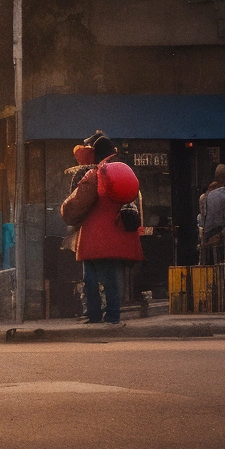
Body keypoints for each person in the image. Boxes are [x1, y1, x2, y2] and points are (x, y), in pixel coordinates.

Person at [65, 134, 144, 325]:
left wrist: (66, 211)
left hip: (92, 234)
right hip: (115, 232)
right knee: (109, 278)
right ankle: (112, 315)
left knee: (91, 278)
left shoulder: (94, 175)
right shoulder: (121, 174)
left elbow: (77, 202)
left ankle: (96, 314)